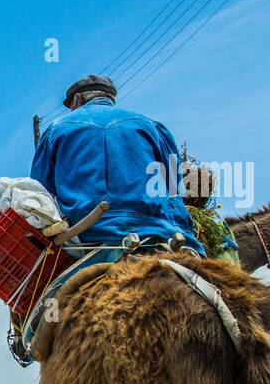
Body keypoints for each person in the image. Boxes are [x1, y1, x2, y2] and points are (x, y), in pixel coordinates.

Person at [30, 75, 204, 255]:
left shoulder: (56, 130)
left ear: (79, 99)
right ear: (110, 98)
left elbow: (41, 195)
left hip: (87, 238)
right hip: (161, 233)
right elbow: (175, 186)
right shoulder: (151, 126)